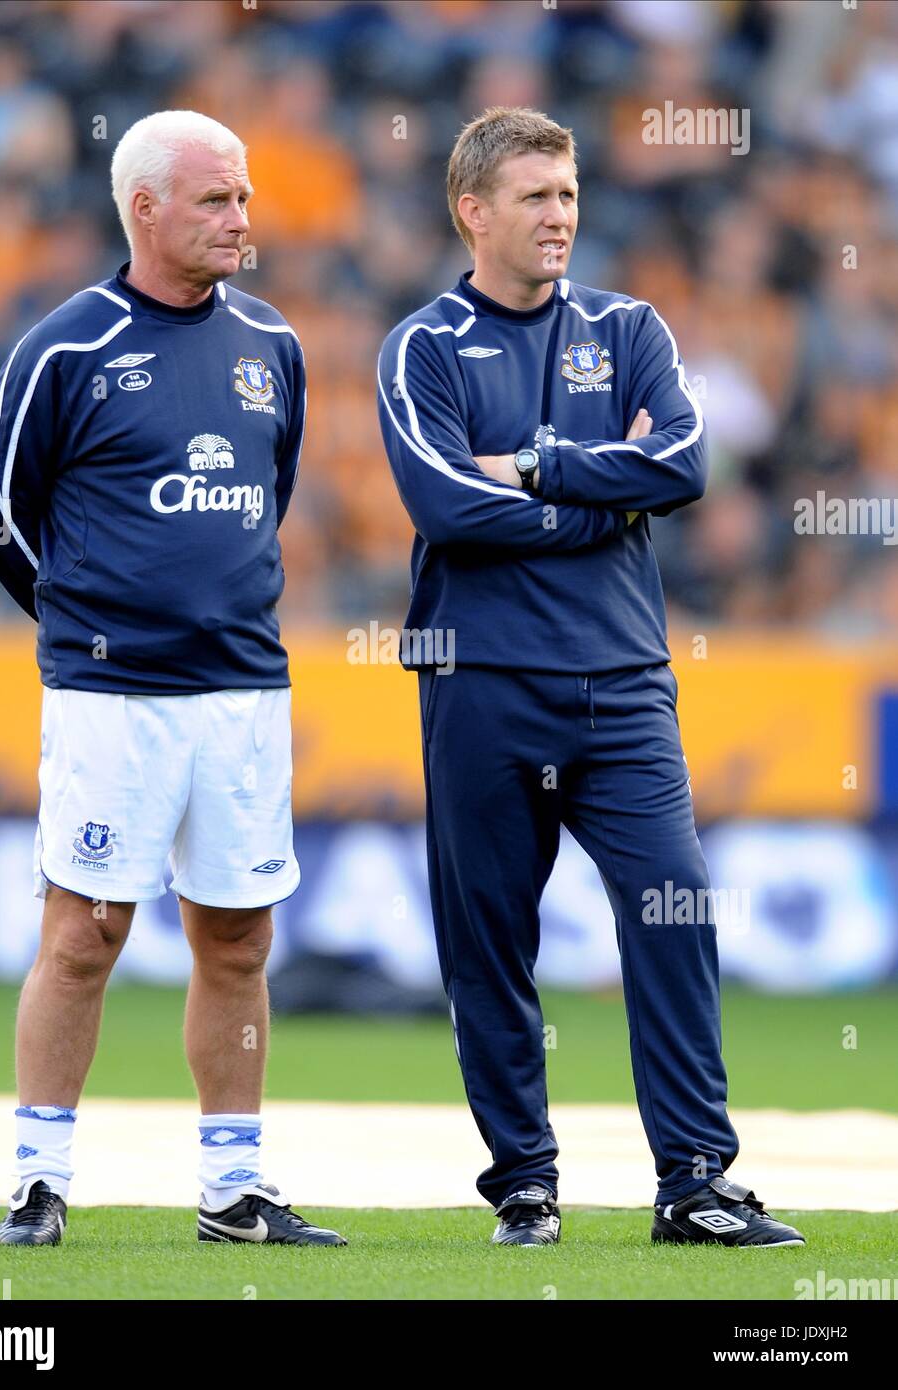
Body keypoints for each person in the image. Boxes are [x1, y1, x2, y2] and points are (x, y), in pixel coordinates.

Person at [376, 106, 804, 1249]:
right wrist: (598, 499)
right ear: (473, 210)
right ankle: (524, 1180)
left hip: (620, 686)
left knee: (670, 908)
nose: (560, 216)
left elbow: (685, 463)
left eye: (567, 195)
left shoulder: (629, 326)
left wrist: (531, 466)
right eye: (534, 198)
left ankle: (694, 1182)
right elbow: (441, 506)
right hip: (480, 684)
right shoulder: (421, 346)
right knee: (488, 942)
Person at [0, 109, 345, 1248]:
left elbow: (262, 503)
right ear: (144, 208)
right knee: (83, 935)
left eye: (243, 198)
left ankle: (233, 1193)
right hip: (109, 702)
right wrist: (87, 624)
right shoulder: (65, 347)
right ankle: (39, 1181)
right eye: (216, 200)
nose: (241, 220)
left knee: (236, 939)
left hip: (241, 693)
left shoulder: (271, 342)